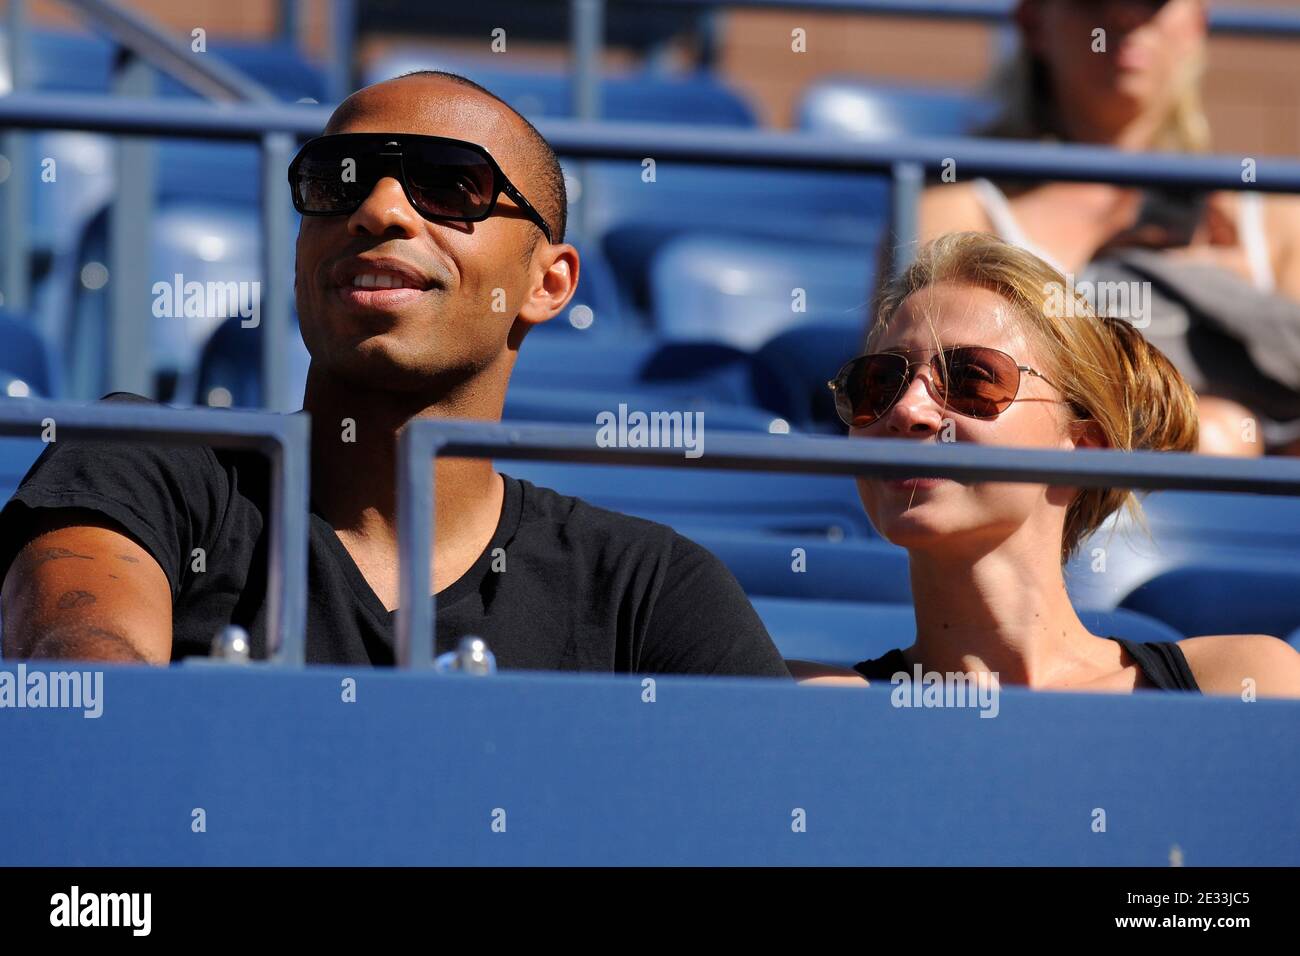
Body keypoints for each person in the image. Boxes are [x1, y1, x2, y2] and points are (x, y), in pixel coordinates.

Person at [0, 71, 790, 679]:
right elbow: (88, 686)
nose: (378, 210)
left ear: (548, 283)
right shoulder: (146, 461)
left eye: (450, 186)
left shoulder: (645, 590)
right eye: (334, 181)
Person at [792, 232, 1300, 695]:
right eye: (877, 383)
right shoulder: (818, 702)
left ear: (1085, 446)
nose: (907, 411)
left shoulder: (1246, 681)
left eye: (972, 379)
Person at [911, 0, 1300, 455]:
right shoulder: (956, 206)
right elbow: (933, 397)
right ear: (1033, 22)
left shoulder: (1272, 214)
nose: (1123, 19)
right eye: (1093, 1)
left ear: (1195, 23)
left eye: (1153, 4)